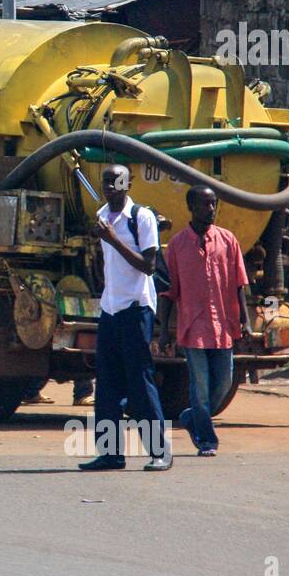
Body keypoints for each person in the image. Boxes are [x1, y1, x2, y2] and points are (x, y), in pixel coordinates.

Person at [79, 165, 172, 471]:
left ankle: (160, 452)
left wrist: (113, 239)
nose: (110, 186)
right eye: (106, 181)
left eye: (117, 181)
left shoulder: (142, 218)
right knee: (106, 384)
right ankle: (110, 454)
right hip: (110, 309)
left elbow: (148, 265)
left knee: (140, 381)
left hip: (136, 308)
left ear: (129, 183)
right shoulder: (103, 215)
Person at [157, 186, 253, 457]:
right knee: (199, 386)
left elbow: (239, 285)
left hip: (223, 326)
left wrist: (245, 321)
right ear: (191, 207)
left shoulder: (228, 240)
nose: (211, 209)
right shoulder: (177, 245)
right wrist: (164, 331)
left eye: (214, 204)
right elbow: (168, 292)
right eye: (205, 204)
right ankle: (206, 440)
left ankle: (191, 418)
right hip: (193, 327)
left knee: (223, 384)